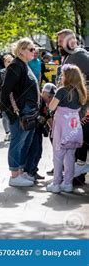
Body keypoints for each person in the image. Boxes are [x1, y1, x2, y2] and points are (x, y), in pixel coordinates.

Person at [0, 38, 40, 187]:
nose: (33, 51)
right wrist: (12, 113)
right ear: (21, 50)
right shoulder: (16, 66)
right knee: (17, 143)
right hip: (20, 113)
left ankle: (21, 171)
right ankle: (14, 175)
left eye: (34, 49)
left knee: (25, 143)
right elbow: (5, 92)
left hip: (28, 112)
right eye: (31, 49)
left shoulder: (24, 65)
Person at [47, 64, 87, 193]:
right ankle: (67, 183)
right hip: (74, 127)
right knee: (70, 156)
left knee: (58, 156)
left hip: (61, 127)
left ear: (67, 76)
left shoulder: (61, 91)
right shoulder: (81, 92)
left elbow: (52, 107)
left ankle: (56, 183)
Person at [57, 29, 89, 185]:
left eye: (60, 41)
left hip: (80, 109)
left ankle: (77, 173)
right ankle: (70, 172)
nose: (58, 44)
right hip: (70, 108)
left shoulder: (80, 55)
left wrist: (84, 98)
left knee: (76, 138)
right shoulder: (69, 55)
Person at [24, 83, 56, 181]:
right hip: (33, 129)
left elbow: (48, 118)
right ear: (44, 93)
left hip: (38, 130)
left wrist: (54, 131)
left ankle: (33, 171)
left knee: (38, 151)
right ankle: (28, 172)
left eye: (52, 98)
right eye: (50, 96)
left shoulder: (45, 104)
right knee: (34, 151)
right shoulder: (39, 101)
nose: (51, 99)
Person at [0, 54, 14, 141]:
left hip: (13, 99)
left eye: (11, 61)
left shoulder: (16, 72)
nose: (10, 63)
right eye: (8, 62)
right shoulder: (1, 72)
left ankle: (12, 132)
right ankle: (7, 133)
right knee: (4, 116)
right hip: (2, 98)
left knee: (12, 116)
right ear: (4, 63)